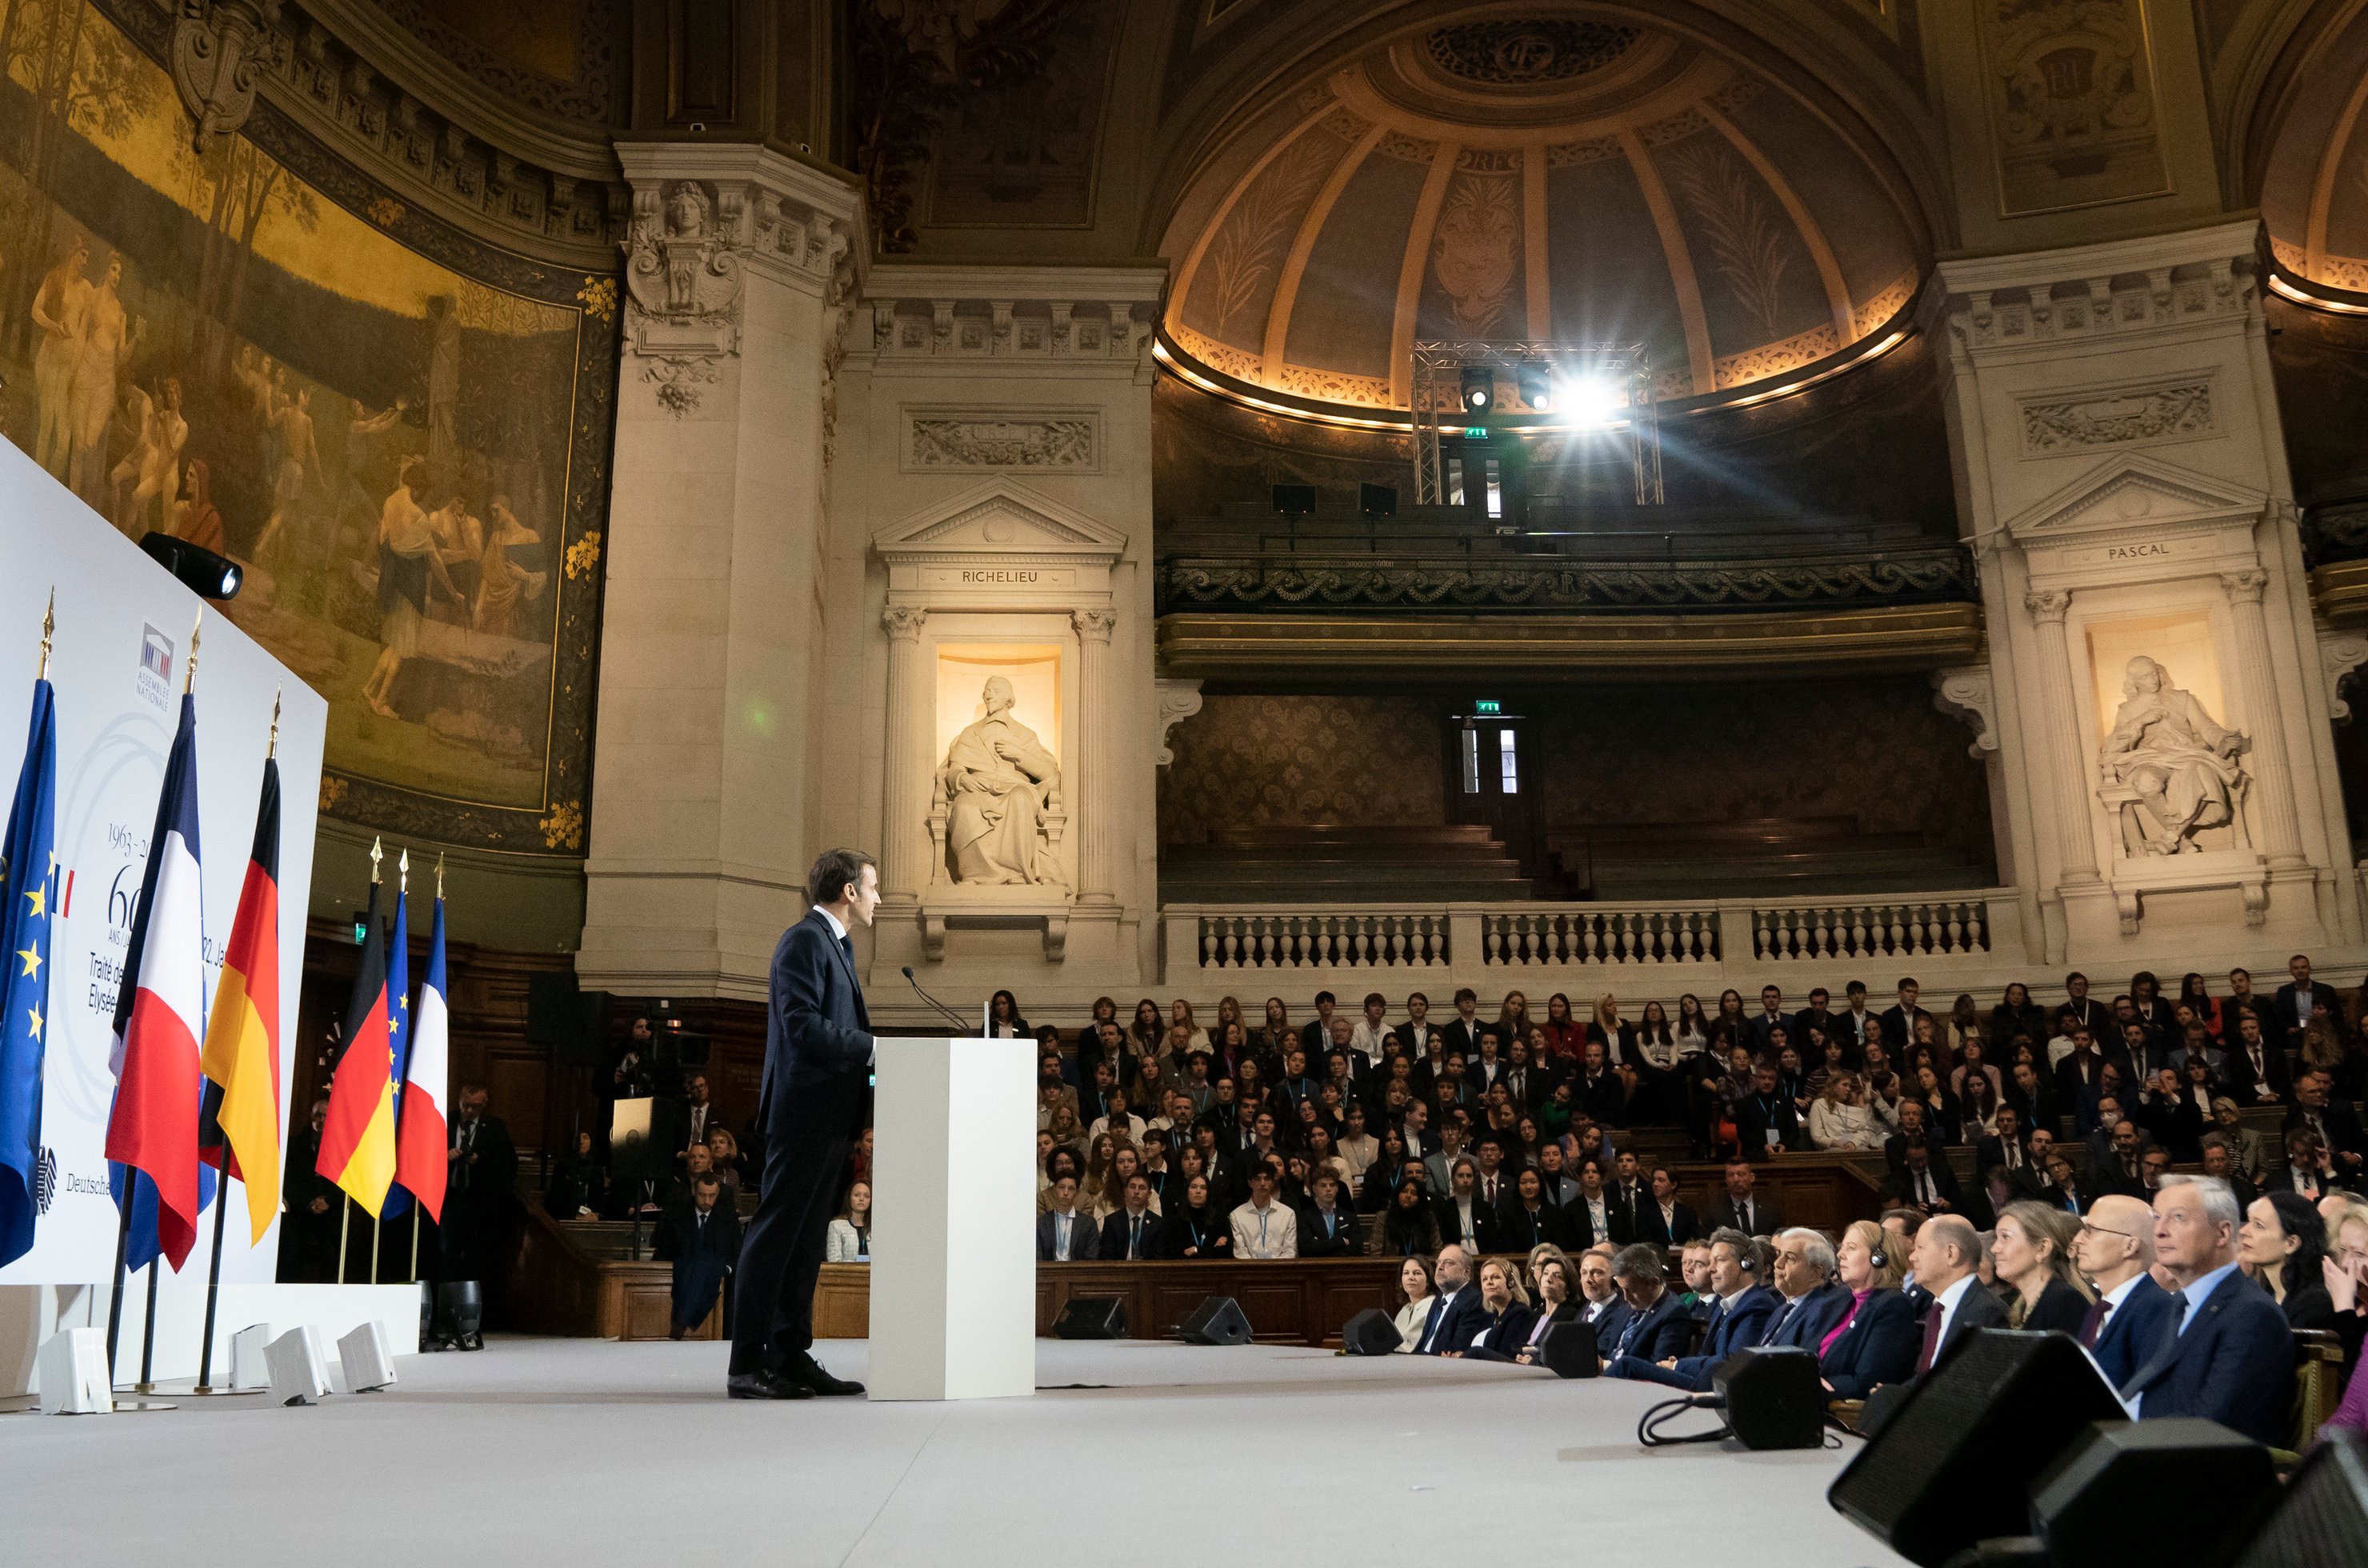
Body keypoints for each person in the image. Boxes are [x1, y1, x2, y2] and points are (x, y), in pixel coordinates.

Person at [729, 850, 878, 1401]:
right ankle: (746, 1363)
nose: (880, 899)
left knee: (805, 1242)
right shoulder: (804, 940)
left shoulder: (834, 945)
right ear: (848, 891)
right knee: (774, 1238)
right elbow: (801, 1025)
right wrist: (872, 1048)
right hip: (801, 1115)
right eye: (874, 887)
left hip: (828, 1118)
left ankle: (789, 1355)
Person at [2122, 1176, 2294, 1444]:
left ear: (2222, 1233)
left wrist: (2120, 1438)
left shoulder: (2252, 1314)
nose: (2159, 1231)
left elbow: (2210, 1424)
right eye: (2156, 1218)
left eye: (2178, 1217)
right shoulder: (2174, 1305)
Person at [1606, 1229, 1775, 1389]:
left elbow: (1732, 1362)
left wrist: (1679, 1365)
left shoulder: (1757, 1305)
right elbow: (1705, 1353)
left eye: (1719, 1260)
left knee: (1627, 1364)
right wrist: (1682, 1364)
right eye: (1710, 1262)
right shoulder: (1727, 1304)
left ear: (1746, 1264)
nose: (1711, 1268)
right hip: (1703, 1378)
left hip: (1718, 1388)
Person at [2072, 1193, 2178, 1387]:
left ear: (2130, 1246)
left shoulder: (2157, 1309)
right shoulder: (2098, 1309)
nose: (2078, 1239)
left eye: (2091, 1230)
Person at [1899, 1215, 2007, 1382]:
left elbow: (1973, 1389)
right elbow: (1926, 1379)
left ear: (1951, 1254)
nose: (1912, 1257)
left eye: (1920, 1247)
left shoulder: (1986, 1311)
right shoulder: (1938, 1308)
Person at [1819, 1220, 1919, 1399]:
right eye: (1842, 1247)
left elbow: (1867, 1381)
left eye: (1851, 1248)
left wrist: (1809, 1385)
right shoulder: (1839, 1299)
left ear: (1878, 1257)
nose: (1840, 1254)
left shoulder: (1893, 1306)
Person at [441, 1083, 518, 1302]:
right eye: (465, 1105)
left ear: (484, 1104)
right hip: (450, 1199)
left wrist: (479, 1161)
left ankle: (472, 1309)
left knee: (476, 1259)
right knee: (448, 1256)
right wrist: (445, 1156)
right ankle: (446, 1309)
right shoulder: (446, 1122)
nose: (468, 1111)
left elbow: (507, 1166)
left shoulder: (495, 1127)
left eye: (474, 1107)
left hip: (479, 1203)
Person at [654, 1172, 742, 1340]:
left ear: (718, 1194)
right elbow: (663, 1252)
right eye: (702, 1195)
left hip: (720, 1273)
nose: (707, 1201)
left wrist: (729, 1269)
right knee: (702, 1261)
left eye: (712, 1196)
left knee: (708, 1261)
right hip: (683, 1269)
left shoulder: (728, 1218)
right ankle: (685, 1320)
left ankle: (682, 1320)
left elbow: (738, 1253)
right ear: (694, 1191)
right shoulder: (677, 1215)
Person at [1990, 1202, 2093, 1333]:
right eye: (1996, 1238)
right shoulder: (2024, 1307)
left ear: (2043, 1248)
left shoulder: (2064, 1303)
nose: (1994, 1249)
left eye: (2005, 1237)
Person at [2239, 1189, 2334, 1330]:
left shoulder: (2313, 1306)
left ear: (2291, 1243)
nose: (2244, 1231)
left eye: (2259, 1226)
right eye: (2249, 1221)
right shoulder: (2264, 1294)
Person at [1758, 1228, 1854, 1349]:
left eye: (1790, 1258)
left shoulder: (1823, 1310)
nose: (1778, 1263)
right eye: (1779, 1255)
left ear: (1815, 1273)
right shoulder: (1781, 1310)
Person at [1450, 1257, 1537, 1359]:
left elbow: (1506, 1354)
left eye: (1495, 1277)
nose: (1489, 1282)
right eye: (1485, 1279)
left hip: (1506, 1371)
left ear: (1510, 1282)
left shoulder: (1520, 1313)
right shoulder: (1490, 1316)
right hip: (1488, 1369)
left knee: (1475, 1352)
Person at [1412, 1245, 1486, 1354]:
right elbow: (1424, 1342)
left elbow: (1454, 1350)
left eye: (1448, 1263)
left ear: (1466, 1272)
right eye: (1438, 1262)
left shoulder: (1473, 1300)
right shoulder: (1439, 1298)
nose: (1440, 1267)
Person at [1231, 1165, 1298, 1259]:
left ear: (1273, 1183)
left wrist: (1272, 1270)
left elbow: (1290, 1252)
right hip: (1249, 1271)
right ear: (1250, 1183)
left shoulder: (1287, 1213)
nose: (1262, 1183)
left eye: (1267, 1179)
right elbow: (1241, 1253)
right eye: (1258, 1179)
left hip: (1280, 1271)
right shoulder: (1237, 1215)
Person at [1704, 1158, 1782, 1235]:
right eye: (1731, 1175)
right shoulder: (1714, 1213)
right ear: (1726, 1180)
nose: (1736, 1179)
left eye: (1741, 1174)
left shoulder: (1770, 1211)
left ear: (1752, 1178)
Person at [1164, 1173, 1231, 1258]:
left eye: (1203, 1188)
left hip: (1213, 1270)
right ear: (1187, 1191)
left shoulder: (1219, 1220)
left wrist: (1196, 1250)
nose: (1198, 1191)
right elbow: (1173, 1255)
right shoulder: (1175, 1223)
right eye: (1194, 1187)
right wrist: (1211, 1250)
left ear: (1209, 1193)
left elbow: (1226, 1252)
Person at [1100, 1173, 1165, 1261]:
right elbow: (1107, 1257)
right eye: (1132, 1187)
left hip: (1148, 1272)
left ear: (1149, 1194)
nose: (1137, 1191)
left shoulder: (1158, 1223)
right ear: (1125, 1192)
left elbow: (1159, 1258)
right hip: (1119, 1272)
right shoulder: (1112, 1222)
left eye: (1142, 1188)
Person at [1038, 1173, 1098, 1261]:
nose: (1066, 1193)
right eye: (1061, 1187)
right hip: (1049, 1272)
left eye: (1071, 1189)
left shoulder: (1088, 1223)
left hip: (1078, 1272)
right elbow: (1037, 1257)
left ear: (1077, 1193)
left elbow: (1091, 1257)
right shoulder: (1041, 1222)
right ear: (1054, 1190)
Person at [1390, 1255, 1436, 1351]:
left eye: (1417, 1273)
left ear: (1428, 1281)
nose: (1411, 1277)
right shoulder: (1406, 1308)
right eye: (1406, 1273)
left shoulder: (1433, 1305)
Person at [825, 1180, 871, 1262]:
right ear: (849, 1198)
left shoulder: (877, 1226)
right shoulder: (837, 1226)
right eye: (857, 1195)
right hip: (846, 1273)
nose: (861, 1199)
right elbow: (834, 1261)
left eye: (866, 1196)